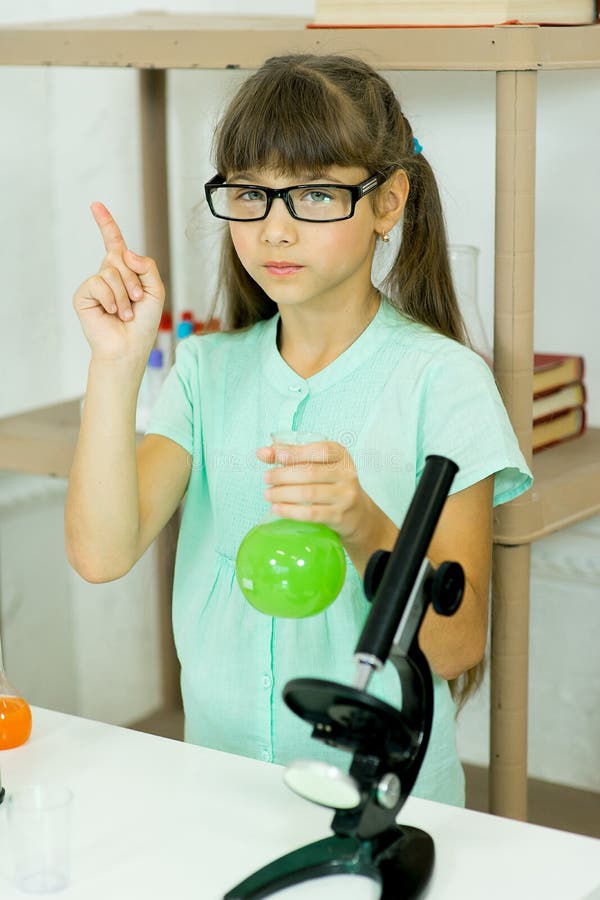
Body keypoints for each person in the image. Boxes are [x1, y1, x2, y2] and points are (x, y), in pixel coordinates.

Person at [65, 53, 532, 807]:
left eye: (315, 194)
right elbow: (99, 552)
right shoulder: (204, 371)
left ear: (388, 203)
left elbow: (456, 644)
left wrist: (365, 526)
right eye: (251, 194)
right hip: (218, 786)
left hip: (383, 800)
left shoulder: (444, 383)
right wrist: (116, 365)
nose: (275, 230)